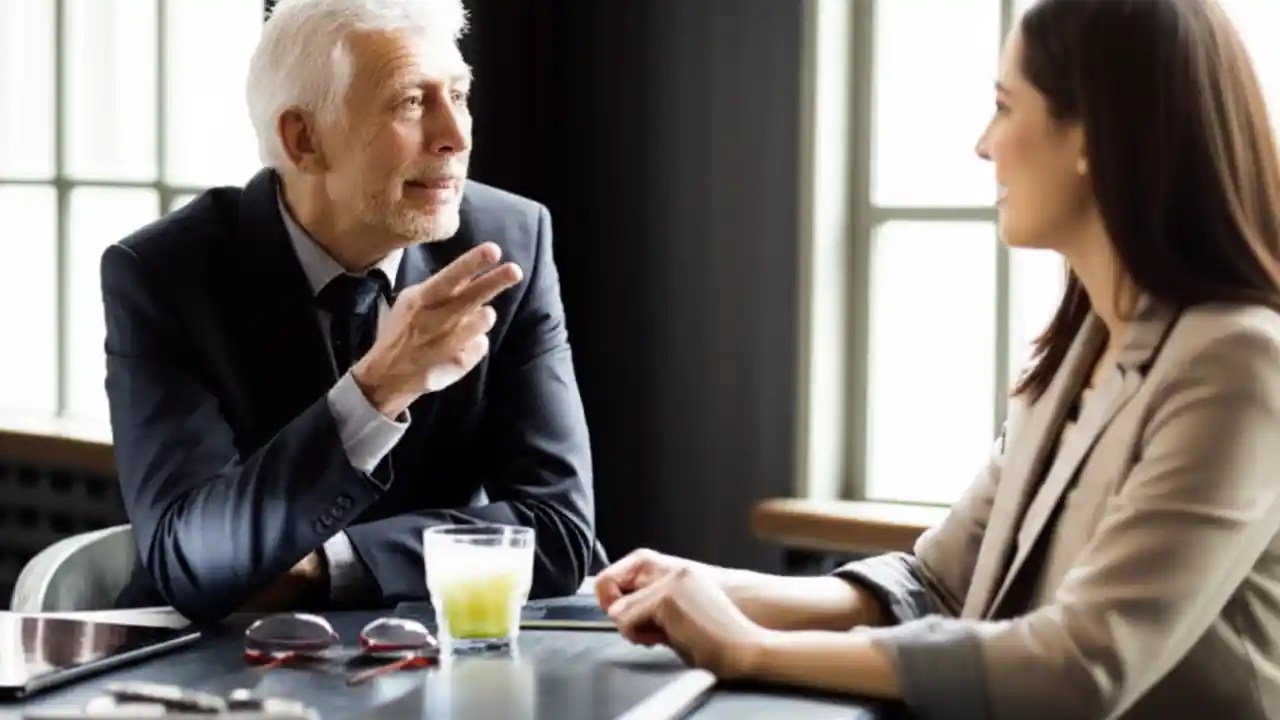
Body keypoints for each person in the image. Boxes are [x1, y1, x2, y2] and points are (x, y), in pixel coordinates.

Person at [595, 0, 1280, 717]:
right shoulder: (1082, 348)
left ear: (1095, 138)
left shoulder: (1237, 363)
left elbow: (1082, 664)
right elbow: (940, 585)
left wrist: (750, 647)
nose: (984, 146)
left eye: (1004, 107)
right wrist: (712, 590)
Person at [101, 0, 601, 622]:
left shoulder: (507, 240)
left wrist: (325, 566)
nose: (457, 135)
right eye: (411, 102)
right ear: (303, 139)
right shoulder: (165, 274)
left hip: (427, 660)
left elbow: (557, 535)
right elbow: (188, 559)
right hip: (209, 674)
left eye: (459, 94)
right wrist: (377, 389)